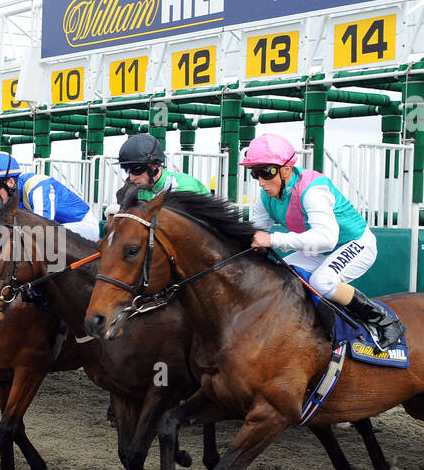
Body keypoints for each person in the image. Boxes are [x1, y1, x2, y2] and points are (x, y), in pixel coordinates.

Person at [241, 133, 405, 352]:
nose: (261, 182)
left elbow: (327, 240)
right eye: (255, 174)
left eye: (266, 172)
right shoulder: (266, 197)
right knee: (279, 274)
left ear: (286, 169)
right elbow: (254, 234)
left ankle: (384, 320)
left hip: (354, 244)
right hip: (319, 248)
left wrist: (273, 239)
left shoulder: (313, 190)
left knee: (322, 282)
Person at [0, 152, 99, 241]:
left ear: (10, 182)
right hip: (59, 227)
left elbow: (41, 229)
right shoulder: (9, 193)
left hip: (83, 226)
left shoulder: (38, 187)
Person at [116, 133, 210, 201]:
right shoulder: (134, 190)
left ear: (154, 165)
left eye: (137, 170)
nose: (132, 177)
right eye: (127, 170)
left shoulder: (184, 188)